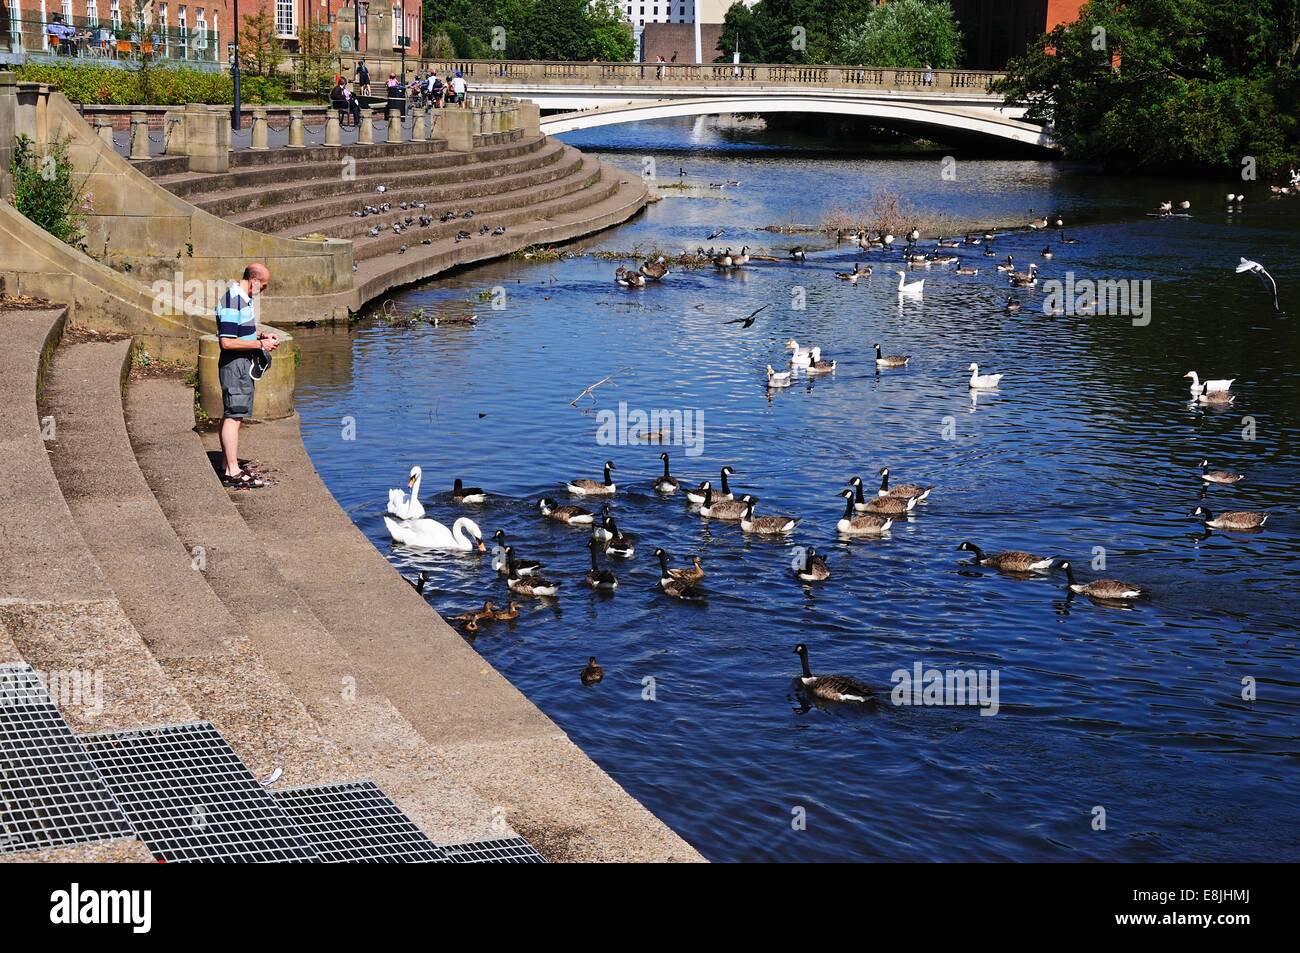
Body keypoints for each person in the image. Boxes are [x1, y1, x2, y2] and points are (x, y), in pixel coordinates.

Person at [217, 263, 279, 488]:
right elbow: (227, 342)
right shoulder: (233, 301)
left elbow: (240, 331)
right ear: (253, 281)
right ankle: (232, 472)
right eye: (263, 285)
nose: (264, 289)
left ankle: (227, 464)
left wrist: (262, 334)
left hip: (242, 364)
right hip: (235, 366)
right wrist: (260, 343)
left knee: (235, 413)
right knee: (234, 416)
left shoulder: (243, 299)